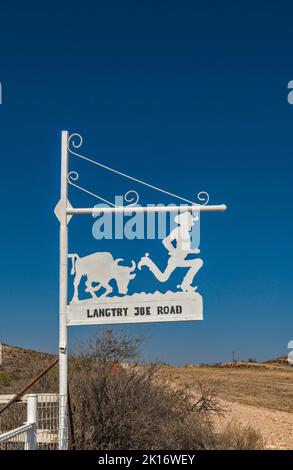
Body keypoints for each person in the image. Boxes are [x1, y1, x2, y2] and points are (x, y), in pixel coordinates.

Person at [138, 211, 203, 292]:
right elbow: (166, 241)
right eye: (190, 222)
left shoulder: (185, 233)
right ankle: (147, 261)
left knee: (198, 262)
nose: (191, 224)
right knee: (163, 278)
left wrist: (193, 251)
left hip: (180, 259)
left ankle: (185, 284)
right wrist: (173, 250)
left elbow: (184, 249)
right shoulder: (178, 230)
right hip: (175, 260)